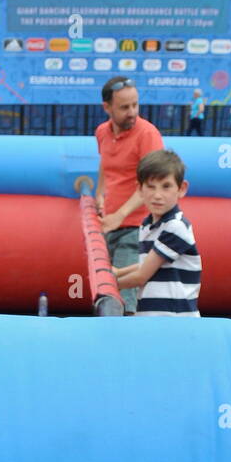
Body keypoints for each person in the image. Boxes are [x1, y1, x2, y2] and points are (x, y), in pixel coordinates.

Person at [94, 77, 164, 313]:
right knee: (107, 288)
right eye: (124, 107)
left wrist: (120, 214)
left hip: (138, 226)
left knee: (124, 294)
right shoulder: (102, 132)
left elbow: (152, 185)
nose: (132, 112)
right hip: (111, 224)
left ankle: (123, 338)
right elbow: (104, 162)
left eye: (135, 105)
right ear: (107, 108)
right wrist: (99, 193)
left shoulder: (148, 134)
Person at [113, 149, 201, 316]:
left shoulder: (176, 226)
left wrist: (111, 285)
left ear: (181, 189)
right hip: (153, 317)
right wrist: (119, 272)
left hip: (174, 320)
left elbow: (141, 276)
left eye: (166, 187)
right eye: (151, 187)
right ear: (139, 189)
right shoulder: (148, 226)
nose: (157, 195)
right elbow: (148, 263)